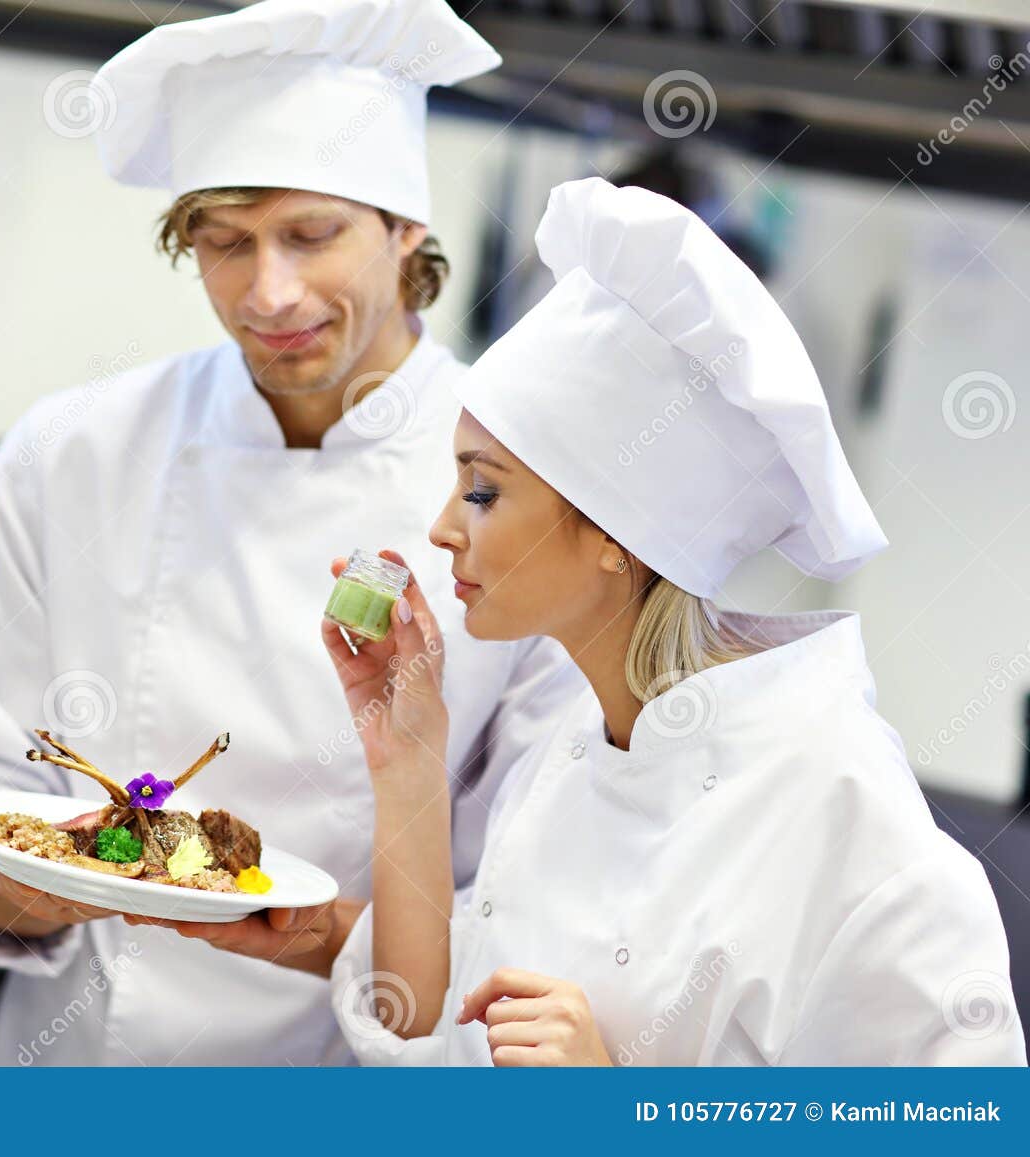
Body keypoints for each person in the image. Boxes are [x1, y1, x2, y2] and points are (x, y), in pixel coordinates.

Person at [141, 176, 1026, 1065]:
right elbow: (444, 1026)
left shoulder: (848, 821)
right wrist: (405, 758)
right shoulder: (577, 750)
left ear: (616, 535)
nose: (444, 526)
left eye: (483, 490)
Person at [0, 0, 583, 1066]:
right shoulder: (72, 456)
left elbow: (531, 898)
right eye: (224, 243)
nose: (268, 292)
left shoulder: (525, 492)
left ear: (406, 226)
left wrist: (328, 937)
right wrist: (15, 879)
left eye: (311, 235)